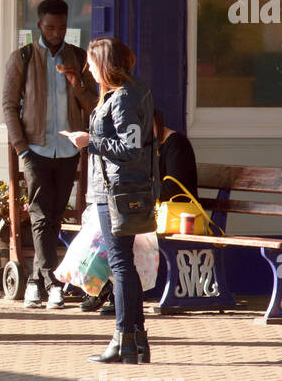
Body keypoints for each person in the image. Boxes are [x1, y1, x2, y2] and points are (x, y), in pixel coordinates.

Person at [62, 37, 156, 364]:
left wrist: (90, 141)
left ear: (105, 63)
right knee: (122, 264)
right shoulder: (124, 94)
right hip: (118, 189)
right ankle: (136, 340)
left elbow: (130, 150)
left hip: (117, 191)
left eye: (91, 62)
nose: (88, 68)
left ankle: (123, 339)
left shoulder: (124, 98)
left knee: (120, 264)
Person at [1, 0, 98, 310]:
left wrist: (76, 83)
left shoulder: (79, 57)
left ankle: (35, 280)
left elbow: (93, 105)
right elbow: (9, 106)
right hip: (36, 148)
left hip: (68, 148)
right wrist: (22, 149)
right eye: (51, 27)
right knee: (41, 212)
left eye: (62, 27)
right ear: (39, 25)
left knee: (55, 213)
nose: (57, 33)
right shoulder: (23, 58)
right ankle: (52, 282)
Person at [84, 108, 198, 315]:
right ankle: (106, 288)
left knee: (124, 233)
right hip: (148, 210)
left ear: (156, 123)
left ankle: (115, 292)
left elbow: (176, 187)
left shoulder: (176, 145)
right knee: (102, 228)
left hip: (173, 215)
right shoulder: (145, 148)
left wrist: (139, 194)